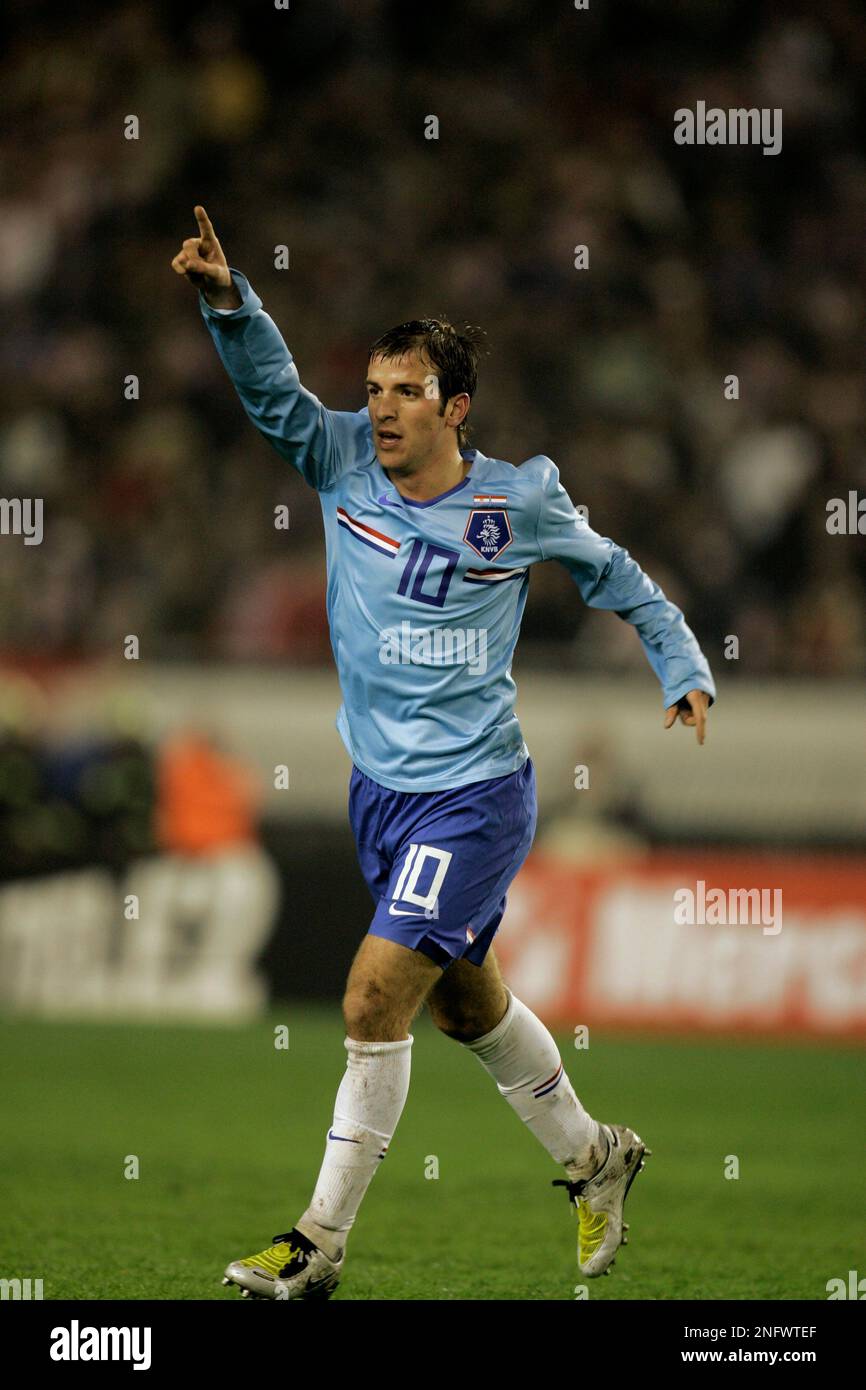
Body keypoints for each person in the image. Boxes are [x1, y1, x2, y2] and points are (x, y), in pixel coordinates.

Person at [171, 206, 714, 1300]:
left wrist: (681, 662)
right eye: (370, 388)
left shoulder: (515, 500)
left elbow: (615, 573)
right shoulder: (338, 464)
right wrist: (231, 301)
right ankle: (593, 1155)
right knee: (467, 1007)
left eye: (403, 391)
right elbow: (273, 391)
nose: (376, 409)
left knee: (374, 996)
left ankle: (317, 1242)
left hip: (473, 797)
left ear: (452, 407)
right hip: (382, 793)